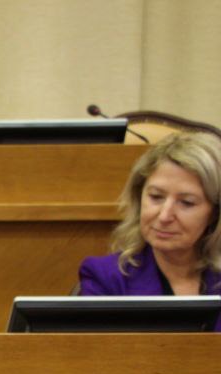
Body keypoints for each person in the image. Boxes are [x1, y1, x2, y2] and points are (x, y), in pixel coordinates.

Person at [78, 131, 221, 330]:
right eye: (156, 196)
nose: (164, 216)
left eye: (186, 203)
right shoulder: (106, 278)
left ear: (215, 213)